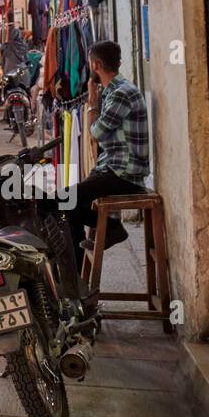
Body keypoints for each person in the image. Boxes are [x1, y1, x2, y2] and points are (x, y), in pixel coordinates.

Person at [66, 41, 149, 267]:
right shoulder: (114, 91)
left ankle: (78, 272)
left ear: (96, 64)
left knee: (64, 200)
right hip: (112, 169)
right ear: (119, 62)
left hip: (124, 175)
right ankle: (109, 232)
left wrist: (92, 104)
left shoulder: (121, 94)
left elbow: (96, 134)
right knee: (71, 202)